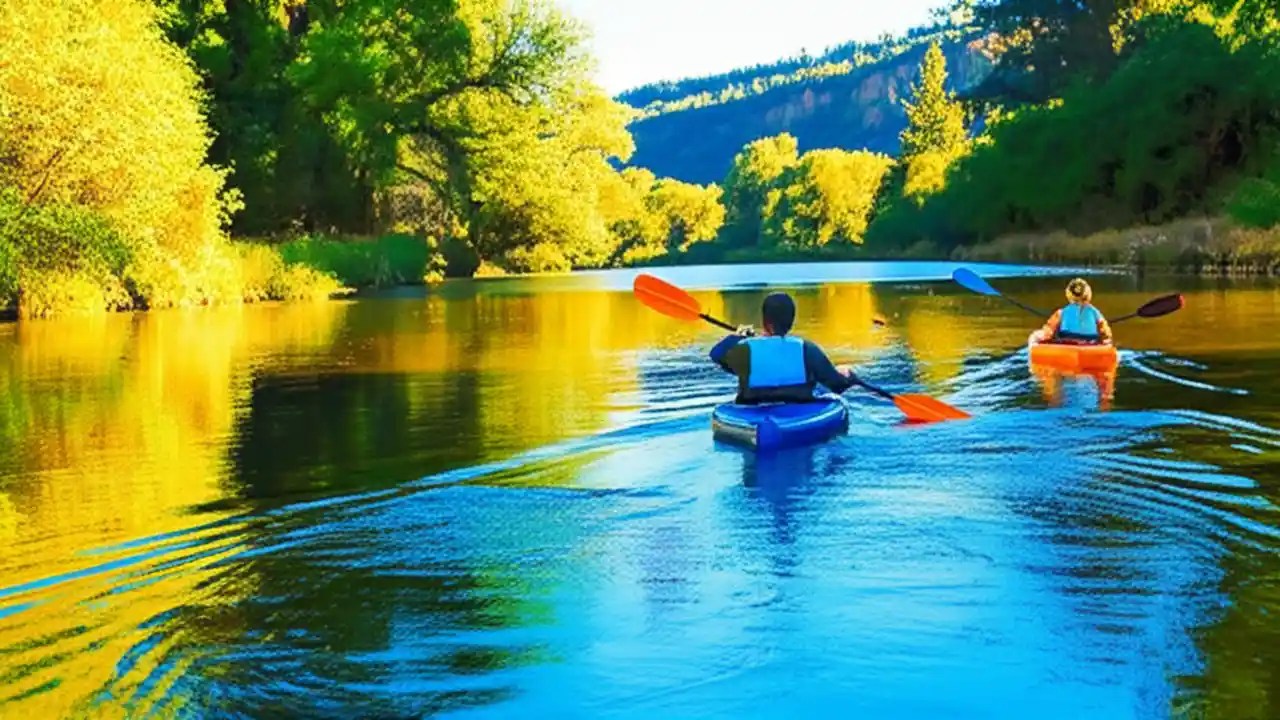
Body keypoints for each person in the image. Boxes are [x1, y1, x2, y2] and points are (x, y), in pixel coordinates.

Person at [708, 291, 860, 404]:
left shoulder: (745, 350)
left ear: (764, 320)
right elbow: (836, 385)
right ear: (791, 321)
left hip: (753, 411)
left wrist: (738, 336)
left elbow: (716, 354)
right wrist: (847, 375)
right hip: (798, 411)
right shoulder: (807, 349)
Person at [1032, 277, 1113, 345]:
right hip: (1090, 344)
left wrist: (1038, 339)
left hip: (1067, 345)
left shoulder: (1062, 313)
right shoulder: (1095, 313)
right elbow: (1106, 334)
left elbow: (1048, 332)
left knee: (1034, 336)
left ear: (1069, 295)